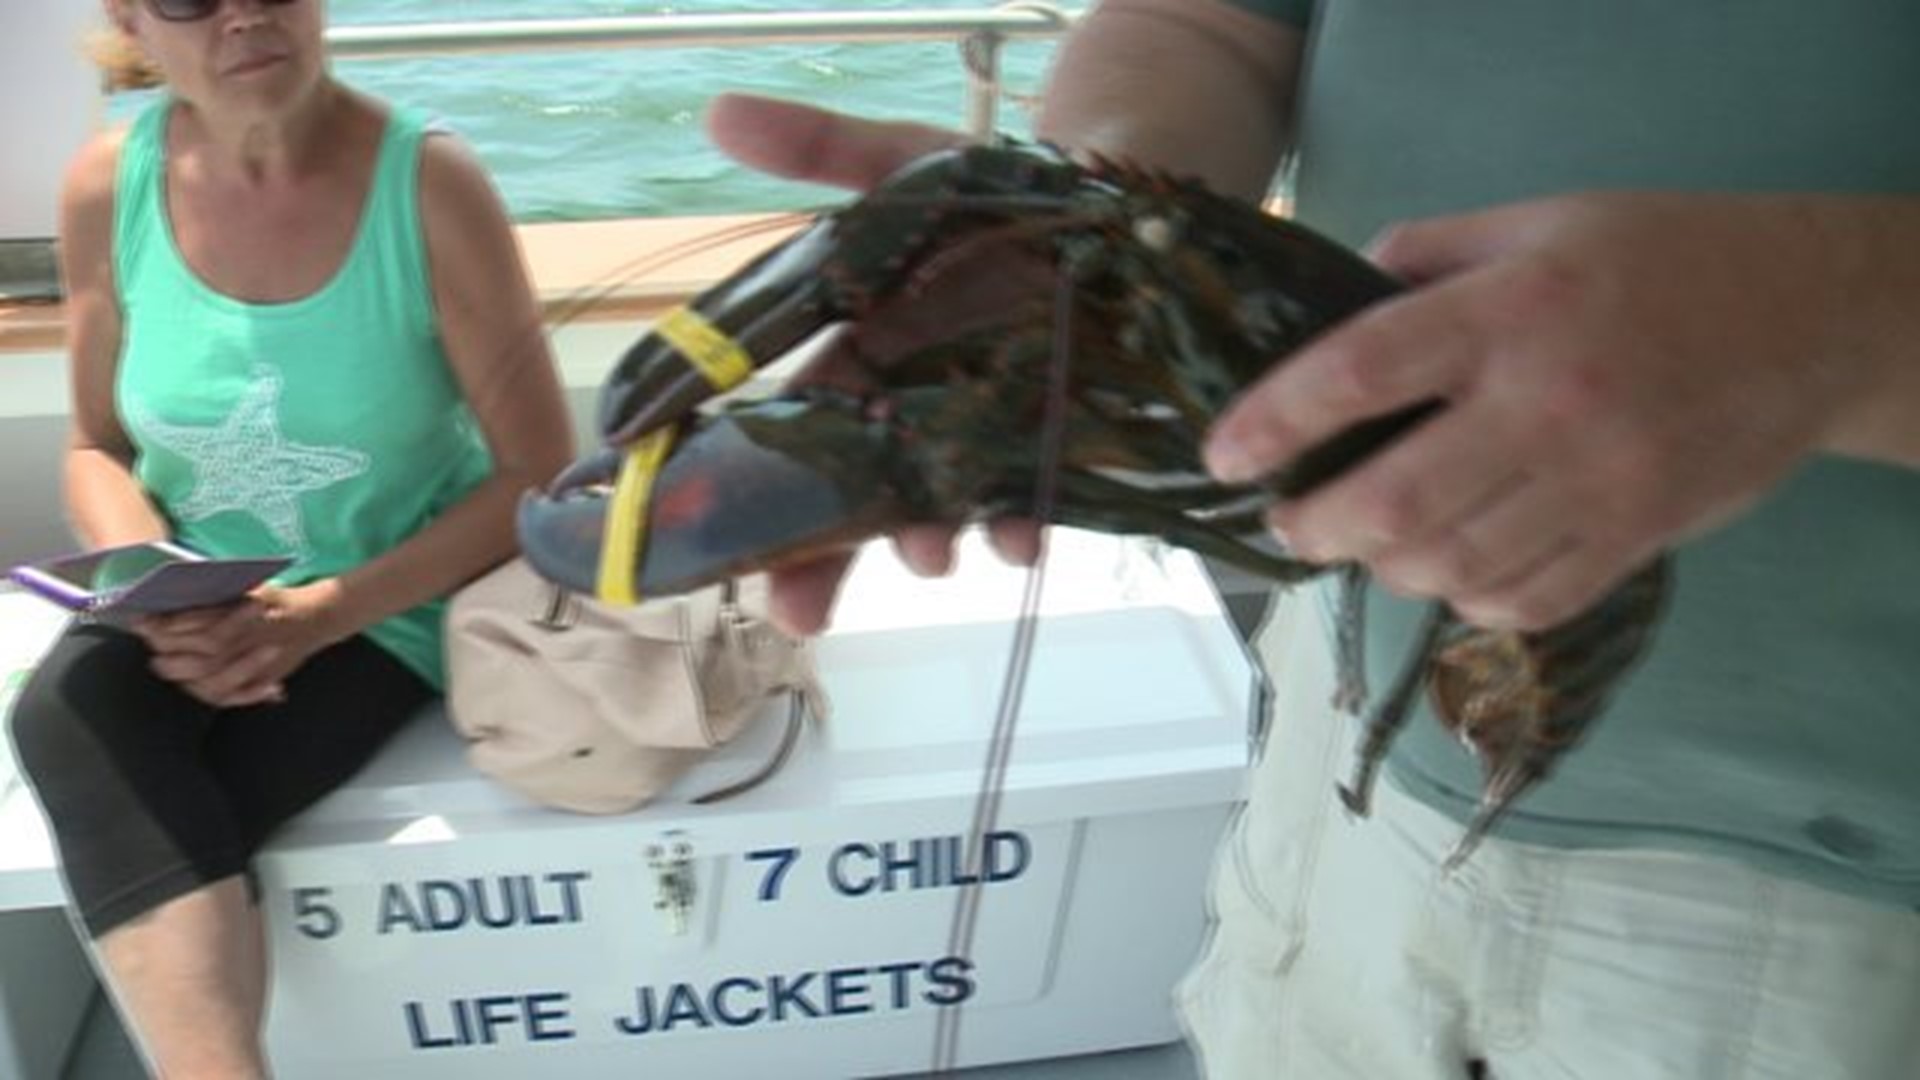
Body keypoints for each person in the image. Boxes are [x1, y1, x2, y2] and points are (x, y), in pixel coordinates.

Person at [698, 0, 1920, 1076]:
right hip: (1348, 754)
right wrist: (1091, 205)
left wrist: (1821, 324)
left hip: (1838, 884)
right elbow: (1209, 24)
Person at [4, 1, 573, 1076]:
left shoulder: (428, 187)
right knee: (62, 716)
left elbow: (538, 472)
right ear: (131, 20)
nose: (245, 15)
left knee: (182, 789)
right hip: (192, 592)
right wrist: (155, 589)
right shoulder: (104, 187)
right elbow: (95, 446)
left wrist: (326, 614)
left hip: (390, 597)